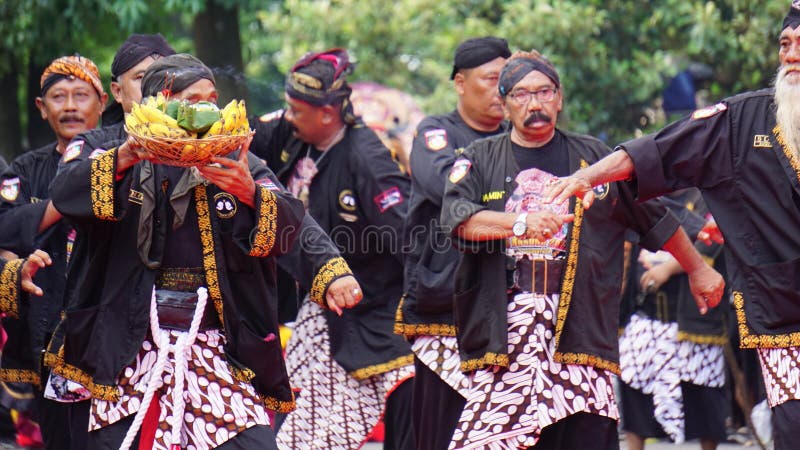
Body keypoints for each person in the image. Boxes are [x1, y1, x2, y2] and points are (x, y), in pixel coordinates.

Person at [439, 50, 724, 450]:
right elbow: (458, 219)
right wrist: (520, 223)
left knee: (583, 436)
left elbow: (654, 218)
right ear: (504, 104)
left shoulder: (595, 160)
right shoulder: (479, 159)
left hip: (580, 329)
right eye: (521, 94)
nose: (534, 103)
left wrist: (697, 268)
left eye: (544, 92)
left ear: (559, 98)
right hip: (505, 334)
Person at [545, 4, 800, 448]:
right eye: (785, 44)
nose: (791, 55)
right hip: (785, 319)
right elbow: (660, 149)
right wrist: (589, 177)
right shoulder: (743, 119)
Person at [47, 53, 310, 450]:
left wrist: (249, 192)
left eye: (212, 99)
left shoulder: (236, 161)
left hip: (214, 349)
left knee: (255, 443)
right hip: (127, 348)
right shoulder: (113, 151)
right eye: (193, 100)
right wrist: (126, 157)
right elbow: (65, 193)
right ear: (161, 105)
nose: (207, 109)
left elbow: (290, 225)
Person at [250, 48, 415, 449]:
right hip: (316, 305)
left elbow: (411, 237)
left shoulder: (367, 158)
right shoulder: (293, 135)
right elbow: (248, 142)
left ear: (327, 114)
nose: (288, 116)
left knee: (327, 434)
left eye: (296, 110)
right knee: (292, 425)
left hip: (368, 311)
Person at [393, 36, 510, 450]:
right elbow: (450, 189)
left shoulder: (519, 139)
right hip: (446, 305)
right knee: (442, 433)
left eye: (507, 80)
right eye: (491, 79)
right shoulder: (436, 133)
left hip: (508, 306)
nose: (502, 90)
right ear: (460, 83)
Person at [0, 54, 107, 450]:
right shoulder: (25, 170)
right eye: (59, 97)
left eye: (81, 95)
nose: (70, 106)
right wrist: (65, 200)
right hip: (47, 329)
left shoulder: (122, 160)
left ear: (103, 103)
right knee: (60, 437)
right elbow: (6, 229)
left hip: (110, 327)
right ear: (42, 108)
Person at [617, 191, 730, 450]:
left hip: (692, 321)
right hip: (644, 317)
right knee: (634, 392)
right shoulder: (641, 194)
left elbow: (714, 240)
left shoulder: (706, 196)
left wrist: (668, 268)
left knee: (705, 399)